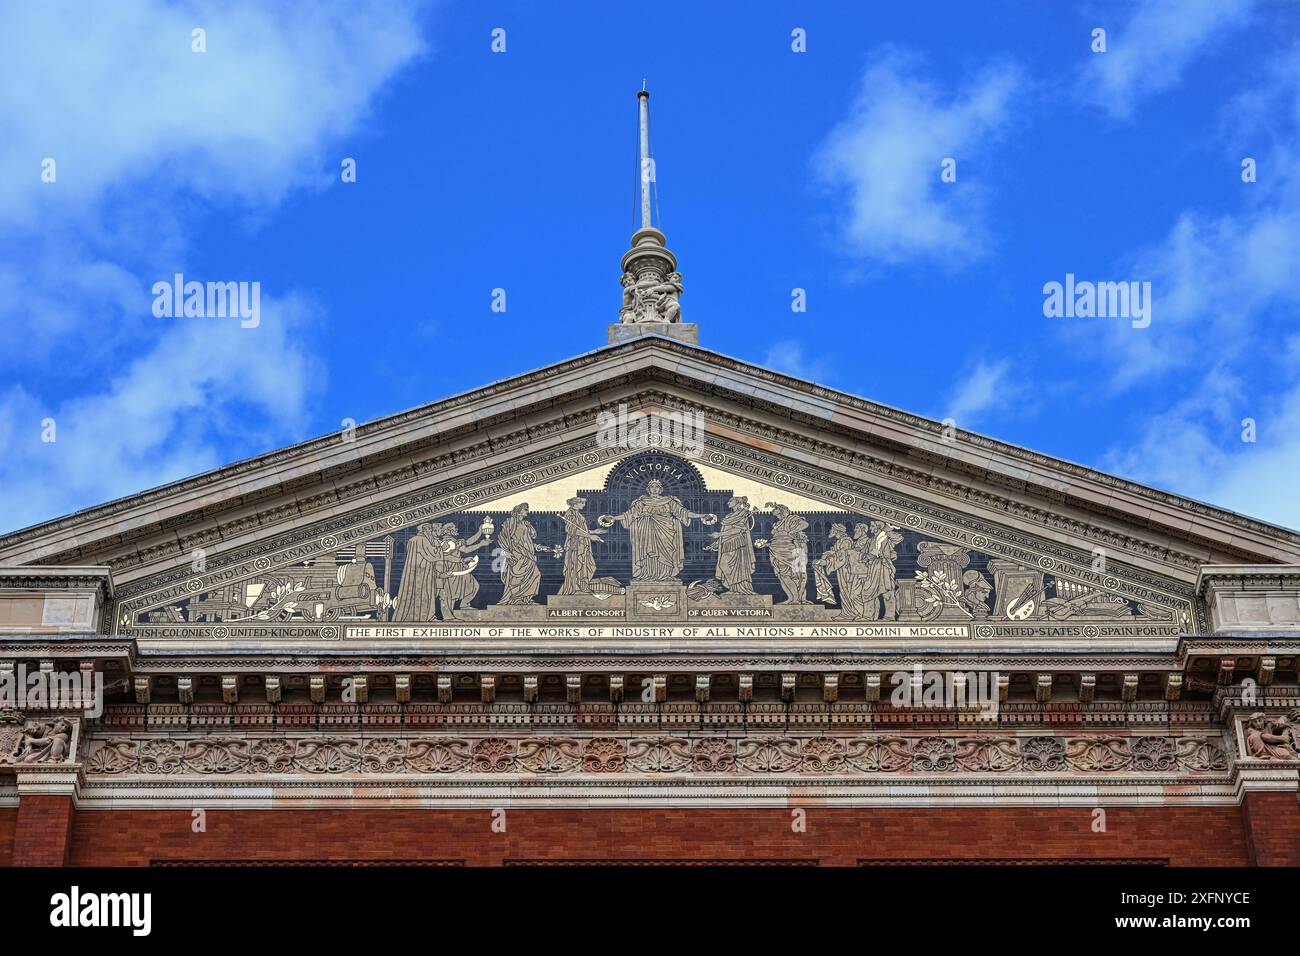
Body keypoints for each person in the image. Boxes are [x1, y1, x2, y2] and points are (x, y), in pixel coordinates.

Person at [600, 479, 713, 582]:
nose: (654, 489)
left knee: (667, 552)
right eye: (652, 487)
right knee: (647, 553)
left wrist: (701, 515)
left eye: (657, 487)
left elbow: (685, 513)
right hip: (646, 531)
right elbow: (629, 515)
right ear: (648, 489)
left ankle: (665, 575)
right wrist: (613, 518)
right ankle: (647, 574)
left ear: (660, 489)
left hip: (666, 531)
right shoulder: (641, 502)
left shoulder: (669, 501)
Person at [498, 503, 549, 604]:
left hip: (528, 554)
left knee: (536, 574)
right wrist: (507, 552)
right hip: (517, 553)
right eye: (525, 509)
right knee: (518, 576)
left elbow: (528, 540)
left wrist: (539, 547)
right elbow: (503, 538)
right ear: (519, 511)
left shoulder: (525, 524)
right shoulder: (510, 523)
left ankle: (526, 599)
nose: (527, 511)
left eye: (527, 509)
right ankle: (516, 599)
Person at [706, 496, 756, 594]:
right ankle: (734, 588)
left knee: (733, 566)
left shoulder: (743, 514)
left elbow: (738, 530)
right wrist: (717, 542)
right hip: (726, 544)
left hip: (737, 543)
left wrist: (719, 534)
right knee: (724, 565)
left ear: (737, 502)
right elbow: (727, 531)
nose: (728, 503)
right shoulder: (729, 516)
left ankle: (739, 589)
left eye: (730, 501)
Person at [393, 523, 440, 621]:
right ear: (425, 530)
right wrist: (441, 549)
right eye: (430, 530)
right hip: (423, 572)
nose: (431, 532)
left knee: (415, 593)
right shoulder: (422, 540)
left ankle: (419, 616)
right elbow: (432, 556)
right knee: (425, 593)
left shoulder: (412, 540)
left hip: (415, 572)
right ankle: (426, 617)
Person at [766, 503, 810, 605]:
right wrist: (767, 544)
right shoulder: (777, 524)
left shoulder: (791, 519)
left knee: (795, 574)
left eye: (776, 508)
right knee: (782, 576)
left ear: (782, 510)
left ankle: (797, 599)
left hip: (789, 550)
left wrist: (792, 531)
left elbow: (804, 524)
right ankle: (791, 598)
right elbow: (777, 538)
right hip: (776, 550)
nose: (773, 510)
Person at [559, 497, 604, 595]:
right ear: (575, 504)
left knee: (588, 565)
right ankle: (576, 587)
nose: (584, 505)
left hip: (583, 543)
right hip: (575, 545)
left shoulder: (577, 514)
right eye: (582, 503)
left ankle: (583, 586)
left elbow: (582, 529)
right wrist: (590, 536)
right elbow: (571, 530)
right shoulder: (570, 514)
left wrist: (593, 531)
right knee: (577, 565)